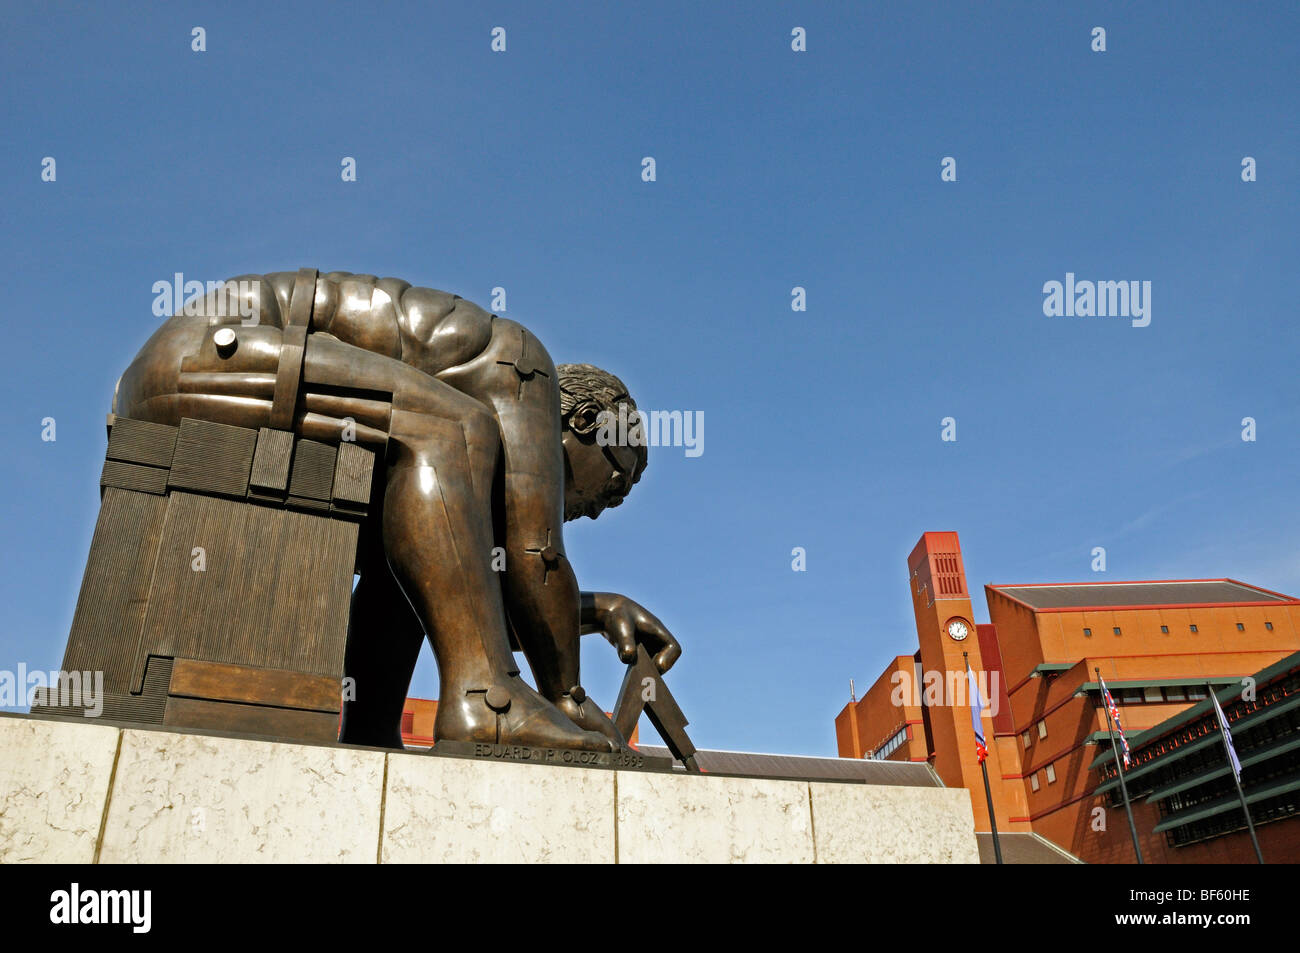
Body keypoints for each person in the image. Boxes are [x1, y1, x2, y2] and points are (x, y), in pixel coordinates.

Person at [114, 270, 680, 752]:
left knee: (431, 544)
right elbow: (537, 553)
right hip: (212, 350)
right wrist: (567, 695)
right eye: (612, 483)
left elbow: (466, 599)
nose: (601, 509)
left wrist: (593, 609)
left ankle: (368, 729)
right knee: (451, 429)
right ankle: (488, 701)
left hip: (191, 369)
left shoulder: (455, 478)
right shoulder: (526, 368)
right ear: (582, 423)